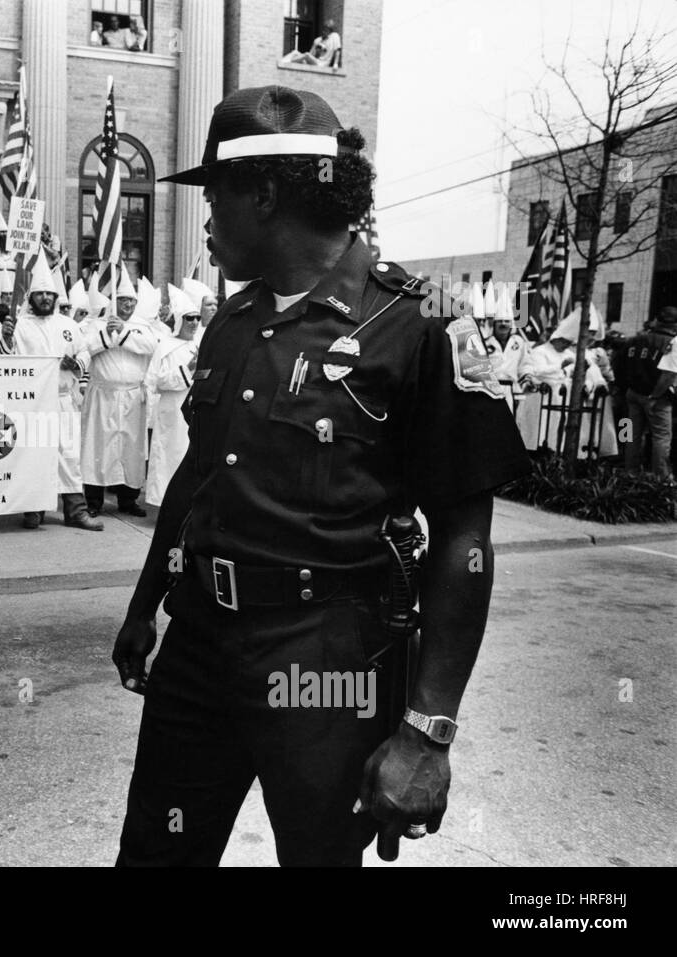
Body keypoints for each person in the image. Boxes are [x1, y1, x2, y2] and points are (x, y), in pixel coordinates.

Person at [111, 85, 531, 867]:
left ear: (265, 195)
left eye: (217, 195)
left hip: (326, 666)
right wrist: (145, 607)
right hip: (200, 645)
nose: (206, 220)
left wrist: (427, 732)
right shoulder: (232, 323)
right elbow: (197, 478)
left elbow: (465, 539)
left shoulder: (419, 327)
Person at [0, 254, 103, 532]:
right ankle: (34, 509)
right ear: (31, 297)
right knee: (34, 456)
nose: (45, 298)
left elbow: (84, 351)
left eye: (49, 293)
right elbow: (6, 362)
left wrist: (77, 363)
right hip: (34, 404)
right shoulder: (20, 325)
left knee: (69, 455)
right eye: (40, 293)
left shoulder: (68, 325)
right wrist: (6, 339)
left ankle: (76, 511)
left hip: (63, 399)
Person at [80, 263, 157, 518]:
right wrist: (107, 333)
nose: (127, 305)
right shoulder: (96, 323)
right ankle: (93, 500)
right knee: (99, 447)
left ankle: (128, 499)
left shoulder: (143, 326)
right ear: (114, 301)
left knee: (131, 448)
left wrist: (122, 334)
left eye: (131, 301)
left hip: (133, 396)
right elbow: (86, 347)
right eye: (122, 300)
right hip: (104, 394)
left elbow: (149, 346)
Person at [520, 311, 617, 457]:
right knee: (543, 437)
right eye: (564, 341)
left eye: (569, 342)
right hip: (544, 401)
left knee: (567, 437)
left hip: (568, 401)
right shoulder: (539, 352)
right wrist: (561, 369)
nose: (566, 345)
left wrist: (586, 383)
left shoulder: (570, 355)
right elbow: (537, 372)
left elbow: (584, 377)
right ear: (556, 338)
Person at [143, 284, 201, 508]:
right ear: (179, 320)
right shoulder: (165, 345)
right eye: (189, 318)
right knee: (169, 456)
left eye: (197, 318)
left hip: (195, 409)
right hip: (172, 411)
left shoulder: (201, 343)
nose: (194, 323)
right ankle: (164, 504)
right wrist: (188, 369)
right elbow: (157, 380)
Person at [619, 306, 677, 478]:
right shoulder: (672, 343)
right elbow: (669, 374)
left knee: (630, 433)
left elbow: (618, 365)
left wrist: (626, 388)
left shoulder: (635, 340)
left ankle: (630, 471)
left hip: (633, 393)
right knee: (661, 437)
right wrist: (655, 396)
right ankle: (661, 478)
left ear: (657, 321)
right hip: (657, 397)